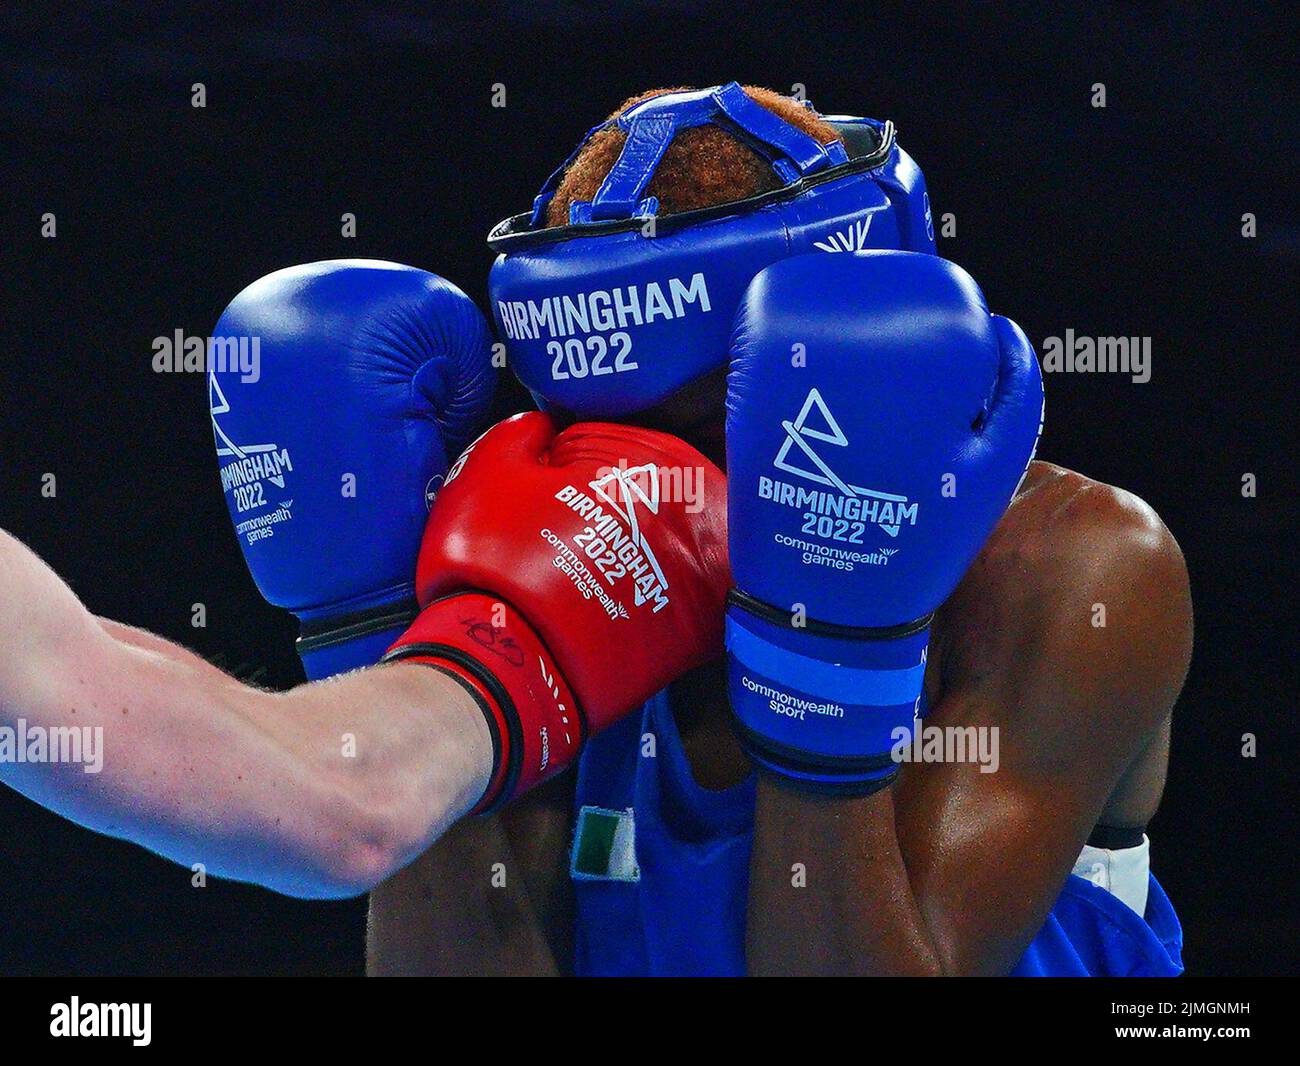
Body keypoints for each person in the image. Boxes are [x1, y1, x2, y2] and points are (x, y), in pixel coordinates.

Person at [0, 85, 1192, 976]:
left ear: (810, 380)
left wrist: (829, 656)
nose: (630, 475)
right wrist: (376, 631)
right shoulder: (567, 530)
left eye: (690, 425)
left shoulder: (1069, 568)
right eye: (586, 416)